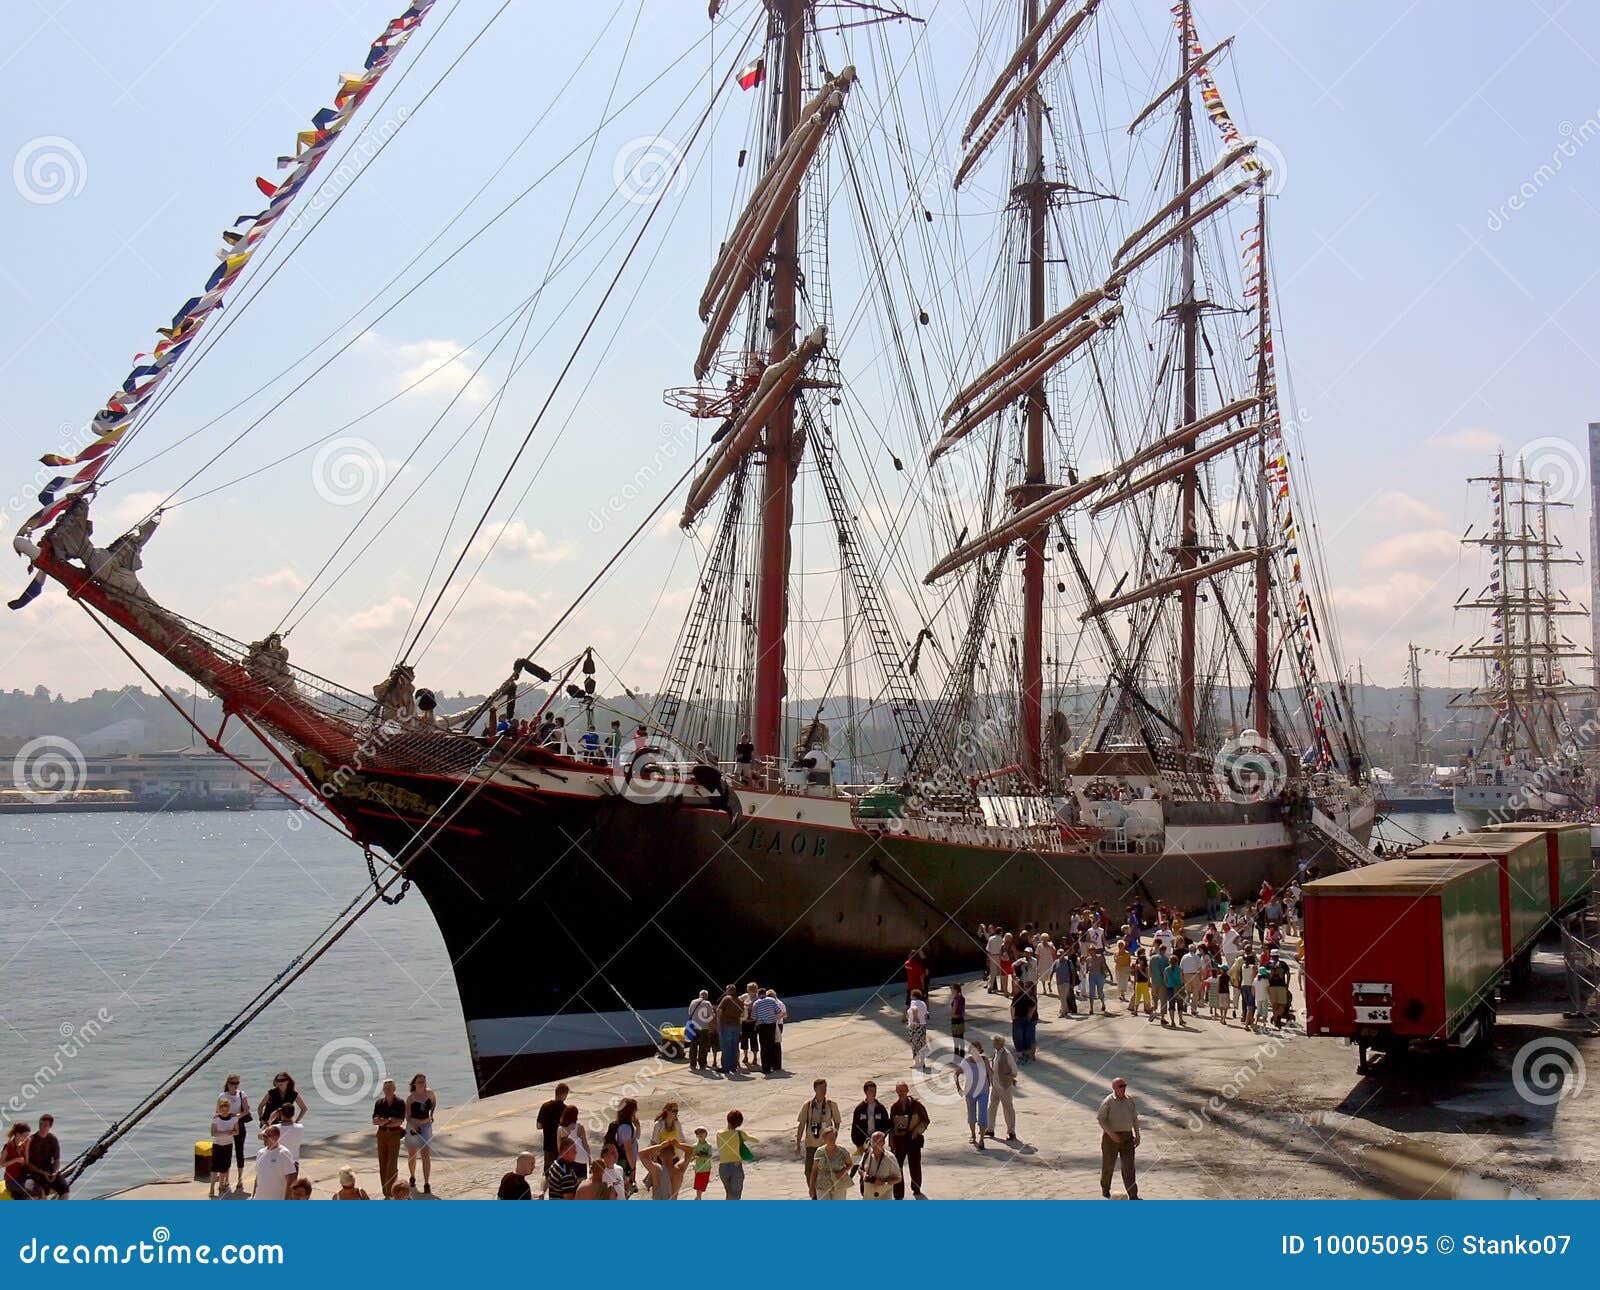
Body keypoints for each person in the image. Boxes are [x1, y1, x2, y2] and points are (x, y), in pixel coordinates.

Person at [1097, 1078, 1140, 1199]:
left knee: (1129, 1168)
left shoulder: (1130, 1100)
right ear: (1114, 1088)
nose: (1123, 1088)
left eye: (1124, 1085)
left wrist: (1137, 1134)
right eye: (1120, 1086)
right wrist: (1111, 1134)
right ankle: (1105, 1189)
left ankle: (1133, 1195)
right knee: (1108, 1165)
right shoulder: (1108, 1101)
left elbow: (1135, 1119)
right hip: (1111, 1139)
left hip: (1127, 1137)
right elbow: (1101, 1119)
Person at [887, 1081, 929, 1199]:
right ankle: (898, 1194)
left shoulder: (917, 1105)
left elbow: (925, 1120)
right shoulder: (894, 1107)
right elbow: (891, 1127)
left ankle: (916, 1188)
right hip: (899, 1140)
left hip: (913, 1139)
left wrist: (917, 1131)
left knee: (914, 1165)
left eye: (903, 1091)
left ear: (907, 1091)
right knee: (897, 1167)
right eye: (899, 1091)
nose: (901, 1093)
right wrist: (892, 1144)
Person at [795, 1079, 842, 1182]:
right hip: (811, 1143)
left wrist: (834, 1135)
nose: (824, 1090)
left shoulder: (831, 1104)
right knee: (809, 1171)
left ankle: (822, 1194)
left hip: (826, 1145)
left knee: (825, 1171)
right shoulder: (808, 1105)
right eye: (821, 1088)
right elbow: (802, 1124)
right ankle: (814, 1195)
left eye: (825, 1088)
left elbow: (837, 1121)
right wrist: (798, 1143)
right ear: (815, 1089)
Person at [372, 1077, 407, 1198]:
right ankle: (386, 1192)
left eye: (390, 1087)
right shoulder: (379, 1103)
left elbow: (399, 1121)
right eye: (386, 1088)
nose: (388, 1090)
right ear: (383, 1089)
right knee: (382, 1163)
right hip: (381, 1134)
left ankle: (391, 1191)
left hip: (394, 1134)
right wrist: (389, 1120)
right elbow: (375, 1121)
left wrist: (384, 1121)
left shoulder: (400, 1102)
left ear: (395, 1088)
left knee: (392, 1164)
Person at [956, 1041, 991, 1150]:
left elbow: (990, 1073)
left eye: (977, 1049)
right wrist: (958, 1087)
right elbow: (956, 1073)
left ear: (980, 1050)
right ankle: (973, 1134)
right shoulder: (966, 1061)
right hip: (970, 1092)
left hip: (983, 1091)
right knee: (971, 1114)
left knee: (983, 1115)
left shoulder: (985, 1060)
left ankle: (981, 1140)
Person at [405, 1072, 436, 1195]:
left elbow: (433, 1103)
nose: (422, 1084)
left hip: (426, 1126)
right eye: (419, 1082)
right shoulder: (411, 1098)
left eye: (424, 1081)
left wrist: (432, 1115)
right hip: (413, 1125)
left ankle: (427, 1183)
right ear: (414, 1084)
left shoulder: (430, 1093)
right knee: (412, 1153)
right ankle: (412, 1176)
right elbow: (407, 1116)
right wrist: (413, 1126)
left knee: (425, 1154)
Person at [535, 1082, 570, 1187]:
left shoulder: (545, 1106)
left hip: (548, 1145)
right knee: (563, 1173)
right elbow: (568, 1130)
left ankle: (542, 1193)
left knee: (547, 1173)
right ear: (564, 1094)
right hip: (562, 1147)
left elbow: (538, 1126)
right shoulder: (566, 1109)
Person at [850, 1081, 894, 1163]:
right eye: (871, 1091)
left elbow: (886, 1125)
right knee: (859, 1163)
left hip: (877, 1142)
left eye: (874, 1091)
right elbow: (855, 1127)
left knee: (876, 1162)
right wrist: (858, 1143)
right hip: (863, 1142)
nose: (873, 1093)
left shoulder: (881, 1108)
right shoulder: (859, 1109)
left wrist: (881, 1138)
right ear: (865, 1092)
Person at [716, 1109, 756, 1199]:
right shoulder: (739, 1134)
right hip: (736, 1166)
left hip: (723, 1168)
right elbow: (754, 1139)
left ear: (728, 1120)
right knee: (735, 1196)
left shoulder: (719, 1134)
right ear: (739, 1123)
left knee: (729, 1194)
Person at [25, 1114, 67, 1198]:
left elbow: (56, 1159)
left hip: (49, 1170)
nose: (42, 1127)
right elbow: (27, 1162)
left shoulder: (53, 1139)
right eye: (40, 1124)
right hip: (34, 1172)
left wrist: (55, 1172)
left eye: (45, 1125)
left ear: (50, 1126)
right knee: (41, 1192)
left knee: (65, 1189)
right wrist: (42, 1173)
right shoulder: (31, 1140)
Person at [220, 1073, 250, 1190]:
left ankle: (239, 1178)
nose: (235, 1085)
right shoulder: (223, 1095)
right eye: (233, 1083)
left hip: (238, 1124)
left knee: (239, 1151)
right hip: (226, 1124)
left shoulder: (242, 1094)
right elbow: (218, 1110)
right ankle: (226, 1178)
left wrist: (236, 1117)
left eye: (237, 1083)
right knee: (226, 1151)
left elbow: (246, 1110)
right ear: (228, 1084)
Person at [606, 1098, 642, 1194]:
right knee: (623, 1191)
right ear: (631, 1110)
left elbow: (636, 1137)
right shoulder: (626, 1127)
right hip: (626, 1162)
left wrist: (637, 1126)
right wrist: (633, 1168)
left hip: (626, 1161)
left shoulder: (626, 1125)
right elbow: (628, 1149)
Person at [251, 1124, 296, 1200]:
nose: (264, 1138)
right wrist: (253, 1196)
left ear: (276, 1137)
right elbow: (258, 1176)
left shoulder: (283, 1153)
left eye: (266, 1136)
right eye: (264, 1136)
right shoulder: (260, 1153)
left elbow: (291, 1179)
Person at [808, 1126, 853, 1200]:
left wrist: (843, 1171)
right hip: (822, 1184)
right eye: (830, 1138)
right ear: (824, 1139)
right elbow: (814, 1170)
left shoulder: (842, 1151)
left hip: (839, 1184)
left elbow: (850, 1164)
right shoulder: (819, 1152)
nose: (832, 1140)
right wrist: (811, 1187)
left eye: (834, 1138)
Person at [988, 1035, 1019, 1141]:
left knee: (1008, 1108)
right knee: (992, 1106)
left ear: (999, 1043)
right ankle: (990, 1129)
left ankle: (1011, 1131)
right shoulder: (996, 1053)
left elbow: (1014, 1071)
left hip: (1004, 1086)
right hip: (995, 1085)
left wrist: (1008, 1078)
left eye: (994, 1042)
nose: (993, 1044)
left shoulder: (1007, 1055)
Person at [209, 1099, 239, 1199]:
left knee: (224, 1167)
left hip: (228, 1144)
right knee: (214, 1168)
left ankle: (221, 1185)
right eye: (222, 1109)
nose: (224, 1111)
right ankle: (212, 1188)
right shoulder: (216, 1118)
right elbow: (213, 1133)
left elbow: (237, 1131)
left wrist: (232, 1132)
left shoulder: (233, 1118)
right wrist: (226, 1132)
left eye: (226, 1109)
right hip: (217, 1144)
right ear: (220, 1109)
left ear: (229, 1109)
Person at [860, 1131, 901, 1200]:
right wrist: (864, 1174)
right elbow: (860, 1168)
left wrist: (883, 1181)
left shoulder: (890, 1157)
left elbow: (898, 1178)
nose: (875, 1144)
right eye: (873, 1141)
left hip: (884, 1196)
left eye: (878, 1141)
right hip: (868, 1196)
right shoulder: (866, 1154)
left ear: (883, 1143)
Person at [753, 988, 784, 1072]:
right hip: (771, 1025)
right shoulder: (772, 1000)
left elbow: (753, 1016)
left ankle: (766, 1068)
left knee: (764, 1047)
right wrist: (773, 1017)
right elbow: (779, 1012)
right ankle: (772, 1065)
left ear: (759, 995)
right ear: (765, 994)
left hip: (762, 1026)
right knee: (771, 1045)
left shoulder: (756, 1003)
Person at [687, 989, 718, 1071]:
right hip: (704, 1028)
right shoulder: (707, 1003)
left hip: (693, 1027)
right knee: (703, 1047)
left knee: (693, 1046)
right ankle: (702, 1064)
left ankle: (692, 1064)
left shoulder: (693, 1002)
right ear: (706, 996)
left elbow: (689, 1013)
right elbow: (711, 1016)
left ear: (699, 995)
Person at [267, 1105, 303, 1171]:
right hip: (293, 1162)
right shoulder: (300, 1127)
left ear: (281, 1114)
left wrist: (270, 1121)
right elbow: (292, 1124)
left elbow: (260, 1136)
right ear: (293, 1114)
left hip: (277, 1161)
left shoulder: (275, 1128)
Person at [717, 984, 744, 1074]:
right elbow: (742, 1014)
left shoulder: (726, 998)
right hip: (736, 1025)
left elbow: (719, 1010)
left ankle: (726, 1067)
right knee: (734, 1046)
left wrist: (719, 1021)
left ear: (728, 990)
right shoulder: (740, 1000)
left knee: (726, 1046)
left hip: (726, 1025)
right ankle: (734, 1066)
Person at [906, 989, 930, 1071]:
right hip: (922, 1026)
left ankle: (916, 1063)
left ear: (913, 996)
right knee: (922, 1043)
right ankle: (922, 1062)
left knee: (914, 1044)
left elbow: (914, 1009)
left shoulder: (914, 1002)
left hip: (915, 1026)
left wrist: (916, 1017)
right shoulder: (923, 1003)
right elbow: (927, 1013)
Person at [1011, 986, 1038, 1060]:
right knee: (1024, 1036)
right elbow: (1012, 1007)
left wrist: (1029, 1016)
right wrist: (1013, 1018)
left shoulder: (1031, 997)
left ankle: (1031, 1054)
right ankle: (1025, 1053)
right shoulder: (1019, 996)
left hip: (1030, 1020)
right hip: (1022, 1019)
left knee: (1030, 1037)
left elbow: (1033, 1007)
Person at [739, 981, 761, 1068]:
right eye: (749, 988)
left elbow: (752, 1005)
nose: (750, 990)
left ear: (755, 989)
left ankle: (755, 1057)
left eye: (751, 988)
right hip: (745, 1021)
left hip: (753, 1022)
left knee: (754, 1040)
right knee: (744, 1040)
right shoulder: (745, 996)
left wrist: (745, 1004)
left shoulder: (757, 998)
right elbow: (738, 999)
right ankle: (745, 1056)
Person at [689, 1126, 716, 1198]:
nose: (699, 1134)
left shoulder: (708, 1146)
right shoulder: (695, 1146)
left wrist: (699, 1156)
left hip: (706, 1168)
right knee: (698, 1187)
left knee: (703, 1186)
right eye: (698, 1133)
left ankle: (698, 1198)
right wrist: (691, 1158)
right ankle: (698, 1198)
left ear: (706, 1134)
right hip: (698, 1168)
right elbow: (692, 1157)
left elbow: (709, 1156)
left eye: (701, 1133)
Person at [1084, 946, 1108, 1014]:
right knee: (1091, 992)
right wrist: (1084, 972)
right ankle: (1091, 1008)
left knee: (1100, 991)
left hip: (1100, 975)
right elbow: (1087, 968)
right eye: (1090, 952)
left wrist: (1105, 973)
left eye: (1092, 952)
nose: (1091, 953)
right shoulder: (1088, 959)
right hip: (1092, 976)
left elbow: (1104, 965)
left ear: (1095, 951)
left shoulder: (1100, 957)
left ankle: (1103, 1003)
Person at [1055, 949, 1077, 1016]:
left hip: (1066, 982)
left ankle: (1063, 1012)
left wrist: (1073, 982)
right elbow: (1053, 971)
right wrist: (1049, 981)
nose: (1059, 956)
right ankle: (1065, 1008)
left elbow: (1073, 973)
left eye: (1060, 954)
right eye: (1058, 955)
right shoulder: (1056, 962)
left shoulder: (1068, 962)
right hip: (1059, 982)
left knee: (1063, 997)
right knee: (1061, 997)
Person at [985, 926, 1005, 993]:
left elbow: (988, 949)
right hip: (999, 956)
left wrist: (988, 958)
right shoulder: (1002, 939)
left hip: (992, 956)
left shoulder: (990, 938)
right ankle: (1002, 987)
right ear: (1001, 932)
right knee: (1002, 973)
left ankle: (990, 987)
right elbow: (1003, 950)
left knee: (992, 973)